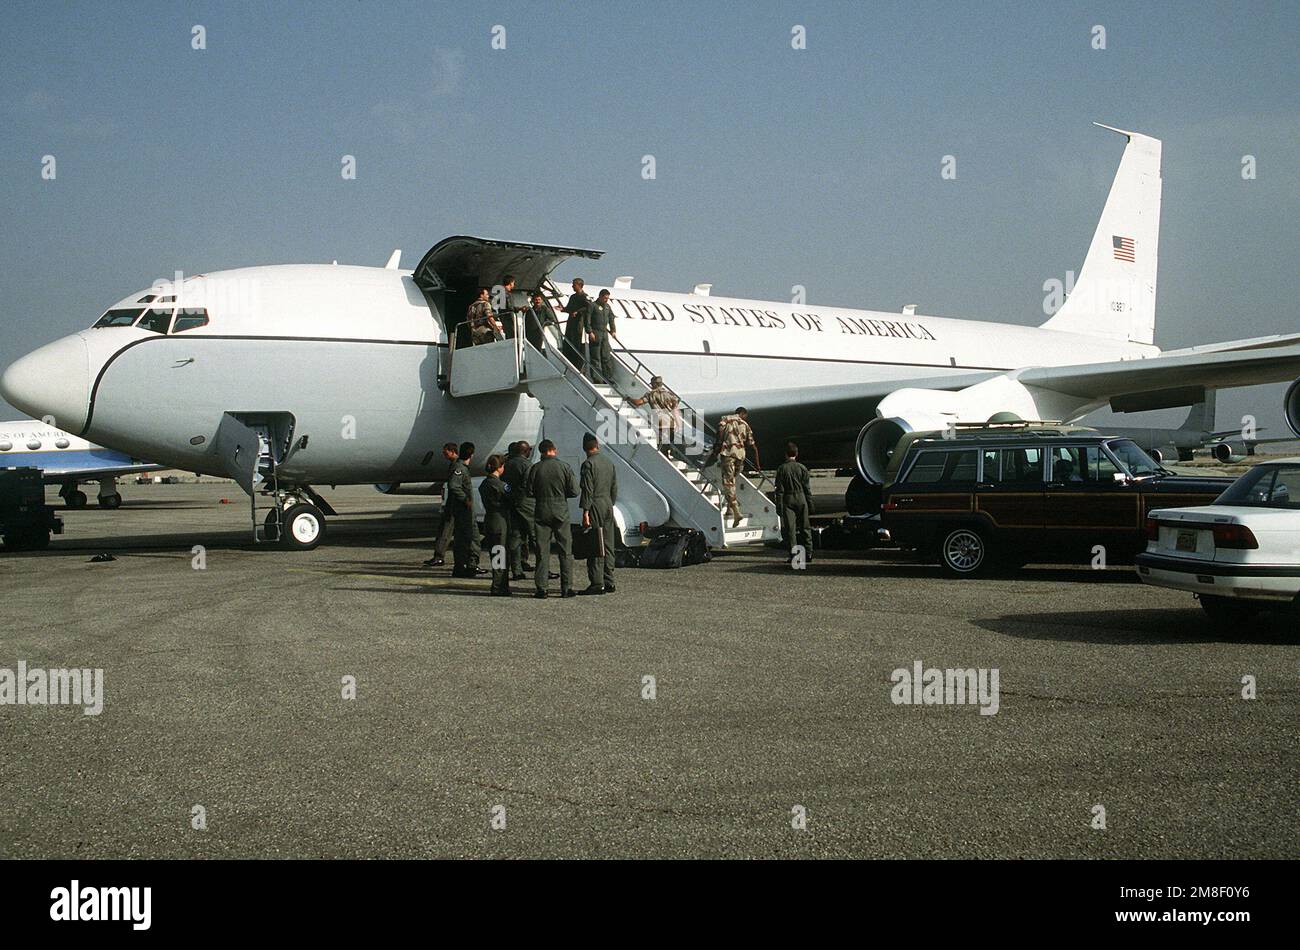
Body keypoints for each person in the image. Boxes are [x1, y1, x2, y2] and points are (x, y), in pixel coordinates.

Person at [526, 439, 578, 598]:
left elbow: (529, 491)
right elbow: (574, 491)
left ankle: (542, 589)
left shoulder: (535, 468)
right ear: (554, 449)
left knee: (542, 551)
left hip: (542, 510)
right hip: (560, 510)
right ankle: (566, 588)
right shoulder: (564, 467)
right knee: (565, 550)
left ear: (541, 451)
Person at [579, 432, 619, 595]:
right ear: (598, 446)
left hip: (595, 504)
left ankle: (597, 582)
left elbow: (587, 489)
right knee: (608, 544)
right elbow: (614, 487)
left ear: (585, 448)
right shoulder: (609, 462)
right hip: (608, 503)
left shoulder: (588, 464)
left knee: (595, 543)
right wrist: (610, 503)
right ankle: (609, 581)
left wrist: (585, 511)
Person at [712, 407, 758, 527]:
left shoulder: (725, 421)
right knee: (732, 483)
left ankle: (737, 512)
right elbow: (752, 445)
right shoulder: (745, 424)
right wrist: (757, 464)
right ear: (742, 414)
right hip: (740, 456)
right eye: (745, 415)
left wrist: (715, 451)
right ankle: (729, 508)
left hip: (728, 454)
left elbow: (719, 437)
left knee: (728, 483)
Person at [773, 442, 814, 561]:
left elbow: (779, 490)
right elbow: (807, 488)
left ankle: (795, 555)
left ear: (785, 454)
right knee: (805, 527)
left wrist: (779, 506)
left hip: (788, 499)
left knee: (791, 529)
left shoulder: (782, 469)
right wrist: (810, 504)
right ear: (796, 454)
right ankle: (809, 553)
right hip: (801, 498)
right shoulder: (802, 468)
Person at [479, 453, 512, 595]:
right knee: (500, 554)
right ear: (500, 468)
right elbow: (511, 500)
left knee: (495, 554)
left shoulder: (484, 484)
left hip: (490, 519)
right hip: (500, 521)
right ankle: (498, 586)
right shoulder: (501, 485)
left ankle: (499, 585)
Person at [449, 441, 483, 577]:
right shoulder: (460, 468)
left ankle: (465, 566)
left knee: (465, 539)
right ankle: (468, 566)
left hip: (464, 510)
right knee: (471, 538)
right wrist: (465, 499)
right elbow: (454, 486)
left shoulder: (460, 467)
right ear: (472, 454)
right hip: (464, 511)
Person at [503, 440, 536, 579]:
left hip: (511, 503)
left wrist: (511, 495)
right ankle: (543, 570)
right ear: (526, 451)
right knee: (536, 536)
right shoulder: (527, 465)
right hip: (526, 504)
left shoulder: (507, 464)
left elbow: (504, 484)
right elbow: (529, 485)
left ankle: (516, 570)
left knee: (515, 537)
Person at [423, 442, 460, 567]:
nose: (444, 455)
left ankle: (439, 557)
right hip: (455, 503)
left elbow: (455, 487)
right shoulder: (456, 465)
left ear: (452, 451)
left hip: (455, 504)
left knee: (445, 531)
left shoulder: (457, 466)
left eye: (446, 452)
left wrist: (463, 501)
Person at [629, 375, 681, 452]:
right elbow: (675, 410)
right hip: (670, 421)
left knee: (661, 444)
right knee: (669, 442)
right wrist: (678, 423)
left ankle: (664, 457)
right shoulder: (670, 394)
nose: (651, 386)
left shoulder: (650, 394)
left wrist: (629, 398)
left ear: (655, 384)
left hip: (659, 421)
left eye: (652, 384)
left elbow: (638, 402)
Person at [586, 288, 618, 383]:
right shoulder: (593, 306)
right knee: (596, 357)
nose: (606, 300)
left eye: (607, 298)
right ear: (600, 297)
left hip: (604, 333)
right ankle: (596, 378)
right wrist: (590, 331)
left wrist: (613, 330)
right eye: (605, 298)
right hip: (595, 332)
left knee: (606, 356)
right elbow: (587, 320)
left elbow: (611, 318)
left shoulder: (607, 307)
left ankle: (608, 377)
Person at [561, 278, 590, 370]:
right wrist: (563, 309)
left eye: (574, 284)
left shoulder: (584, 297)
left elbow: (589, 307)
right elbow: (569, 308)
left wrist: (578, 312)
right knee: (568, 340)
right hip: (571, 322)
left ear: (579, 285)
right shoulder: (573, 297)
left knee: (577, 342)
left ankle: (577, 364)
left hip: (579, 323)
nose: (572, 286)